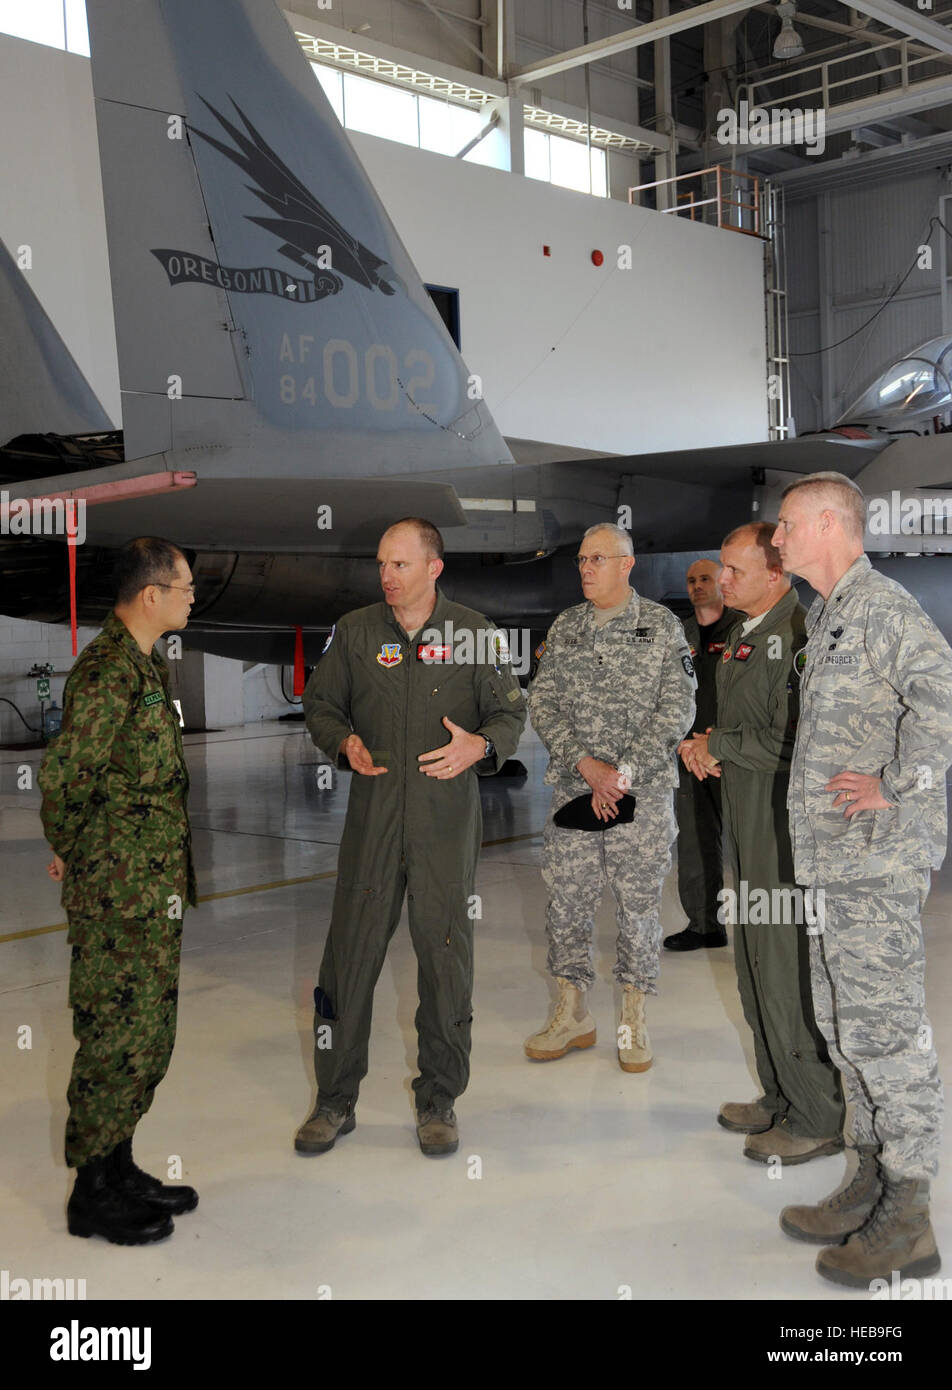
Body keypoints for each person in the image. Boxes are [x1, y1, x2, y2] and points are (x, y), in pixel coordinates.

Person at [295, 517, 526, 1158]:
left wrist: (481, 745)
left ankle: (439, 1100)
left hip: (445, 828)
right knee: (348, 961)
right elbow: (321, 704)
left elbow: (510, 712)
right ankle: (334, 1101)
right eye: (381, 565)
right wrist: (342, 741)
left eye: (400, 564)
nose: (387, 577)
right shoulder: (357, 632)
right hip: (371, 824)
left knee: (446, 961)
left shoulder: (475, 635)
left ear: (434, 567)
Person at [771, 472, 952, 1286]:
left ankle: (910, 1218)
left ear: (824, 524)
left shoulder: (882, 608)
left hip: (875, 862)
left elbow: (942, 698)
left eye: (784, 528)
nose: (776, 541)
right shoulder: (831, 613)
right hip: (833, 863)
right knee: (845, 1028)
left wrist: (898, 785)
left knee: (885, 1030)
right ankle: (871, 1180)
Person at [39, 537, 198, 1245]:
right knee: (113, 1035)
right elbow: (66, 780)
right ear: (150, 596)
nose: (192, 596)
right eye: (184, 586)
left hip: (149, 886)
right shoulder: (106, 673)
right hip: (118, 893)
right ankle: (91, 1194)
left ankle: (119, 1164)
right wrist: (75, 851)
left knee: (146, 1033)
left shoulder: (144, 665)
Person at [682, 524, 844, 1164]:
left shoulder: (798, 639)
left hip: (781, 830)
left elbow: (800, 746)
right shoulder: (745, 634)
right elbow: (748, 724)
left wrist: (715, 745)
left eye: (733, 571)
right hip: (747, 823)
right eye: (720, 569)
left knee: (783, 971)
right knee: (751, 964)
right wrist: (707, 743)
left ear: (775, 575)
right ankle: (780, 1096)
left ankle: (817, 1114)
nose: (720, 581)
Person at [524, 523, 696, 1072]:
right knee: (566, 904)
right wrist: (587, 765)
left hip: (638, 794)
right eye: (581, 560)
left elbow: (677, 709)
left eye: (598, 559)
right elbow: (543, 704)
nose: (586, 569)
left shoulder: (662, 626)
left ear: (627, 565)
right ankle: (572, 1012)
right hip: (576, 789)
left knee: (638, 910)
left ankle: (632, 1017)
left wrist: (620, 772)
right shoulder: (567, 626)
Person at [665, 558, 739, 951]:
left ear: (722, 582)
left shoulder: (743, 628)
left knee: (752, 844)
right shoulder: (682, 634)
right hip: (691, 756)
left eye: (704, 579)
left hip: (736, 754)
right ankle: (705, 925)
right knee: (694, 842)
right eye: (691, 580)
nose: (696, 586)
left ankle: (769, 929)